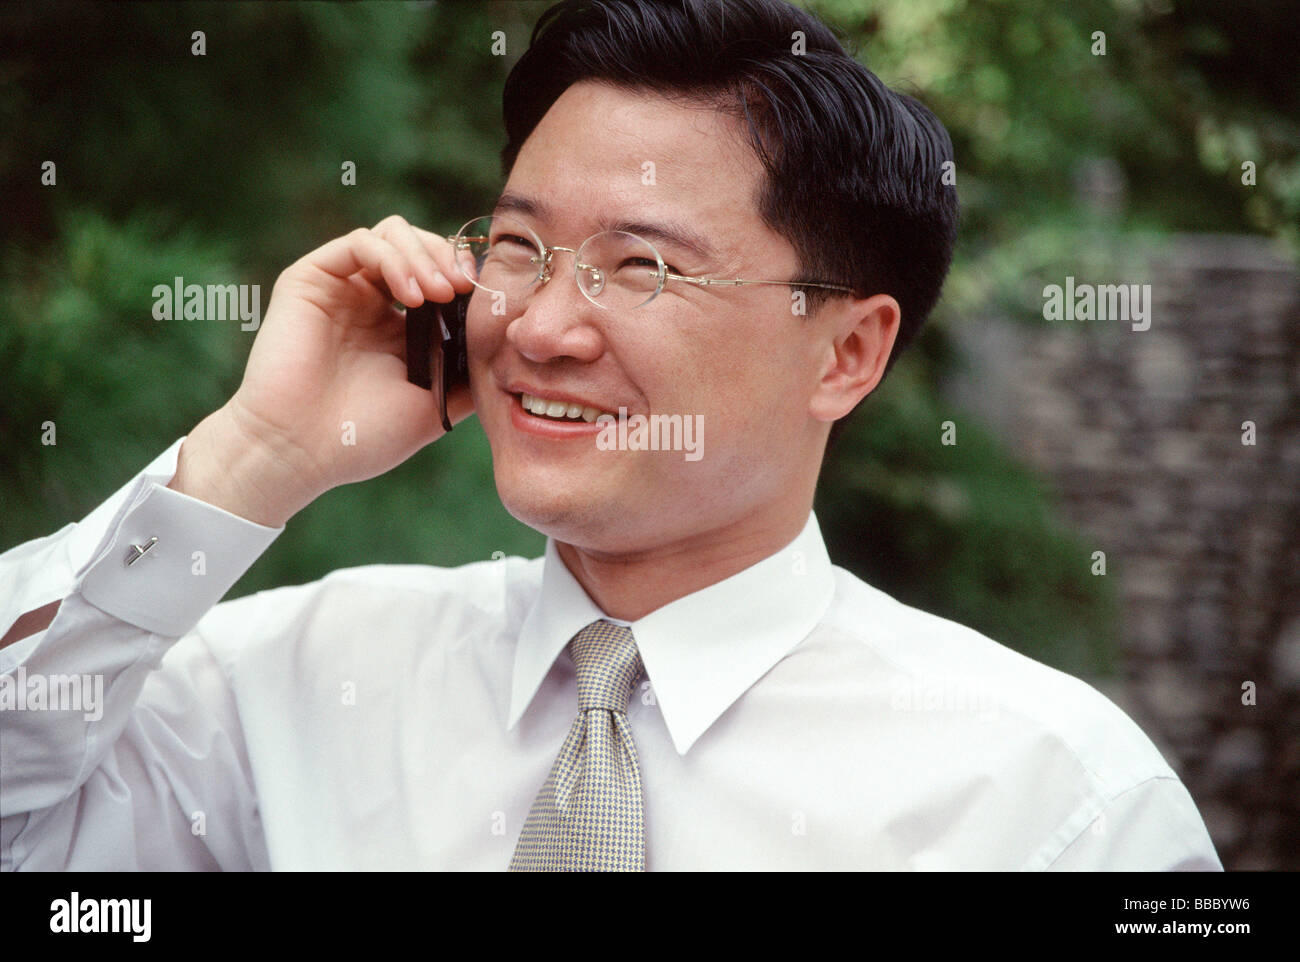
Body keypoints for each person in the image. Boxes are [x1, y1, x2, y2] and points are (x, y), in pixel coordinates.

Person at [0, 0, 1220, 871]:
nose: (539, 325)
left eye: (642, 267)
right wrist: (256, 454)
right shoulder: (295, 682)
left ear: (846, 351)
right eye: (518, 246)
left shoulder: (1051, 799)